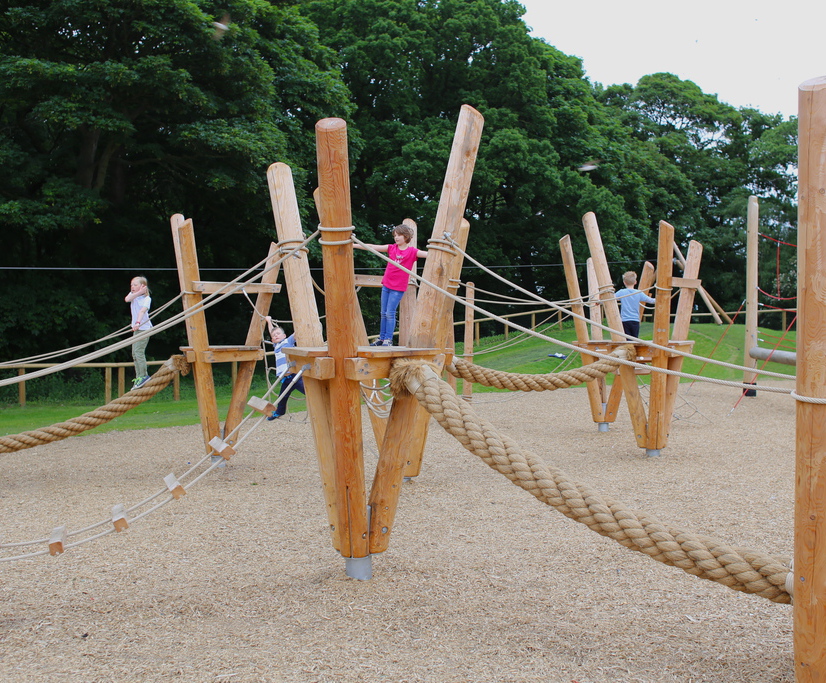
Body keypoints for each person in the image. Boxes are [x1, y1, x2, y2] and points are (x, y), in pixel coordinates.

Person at [355, 222, 427, 346]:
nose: (396, 237)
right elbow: (372, 246)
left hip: (398, 287)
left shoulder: (412, 252)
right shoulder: (391, 248)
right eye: (395, 235)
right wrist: (354, 245)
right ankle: (382, 338)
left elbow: (428, 255)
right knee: (383, 312)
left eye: (399, 235)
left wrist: (443, 249)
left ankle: (388, 339)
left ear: (406, 237)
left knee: (390, 313)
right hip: (387, 284)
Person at [265, 316, 304, 420]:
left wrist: (301, 321)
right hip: (285, 379)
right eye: (274, 335)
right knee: (282, 397)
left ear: (284, 335)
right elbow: (271, 331)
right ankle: (279, 412)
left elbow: (297, 333)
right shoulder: (276, 346)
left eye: (278, 334)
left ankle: (322, 400)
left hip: (295, 375)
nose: (276, 335)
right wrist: (269, 321)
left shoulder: (288, 341)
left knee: (308, 391)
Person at [125, 276, 153, 389]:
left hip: (143, 328)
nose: (132, 287)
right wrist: (138, 292)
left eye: (135, 285)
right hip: (137, 329)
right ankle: (139, 378)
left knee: (139, 352)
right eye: (131, 284)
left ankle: (144, 376)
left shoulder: (147, 299)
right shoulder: (134, 296)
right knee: (134, 354)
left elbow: (142, 311)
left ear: (143, 286)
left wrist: (137, 323)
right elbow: (127, 299)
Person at [615, 271, 655, 340]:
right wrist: (663, 299)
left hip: (625, 320)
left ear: (624, 282)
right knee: (635, 340)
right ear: (635, 282)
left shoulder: (621, 292)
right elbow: (651, 300)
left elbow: (610, 299)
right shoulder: (639, 293)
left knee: (627, 340)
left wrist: (598, 302)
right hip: (635, 320)